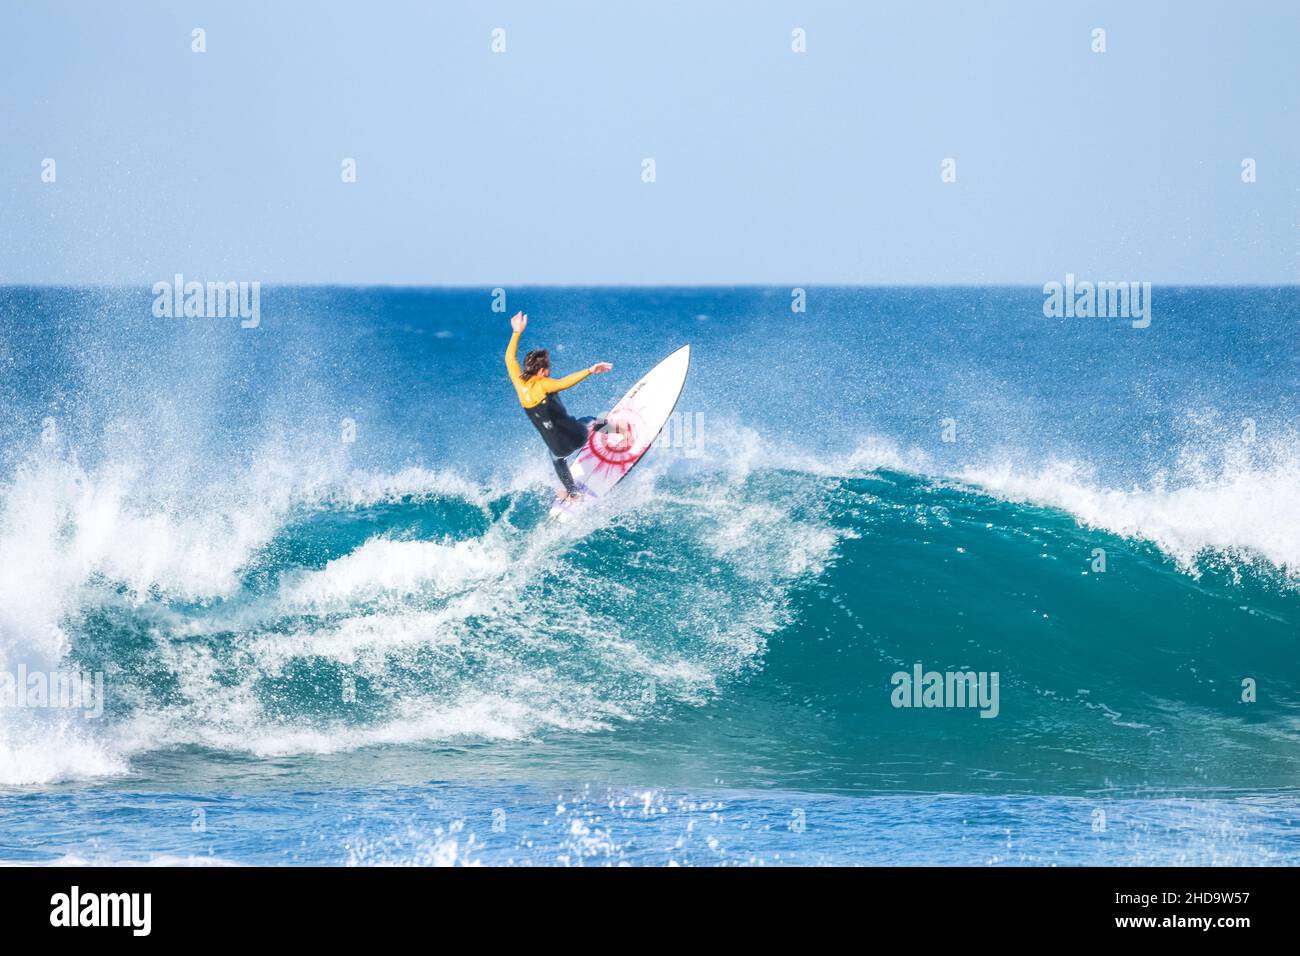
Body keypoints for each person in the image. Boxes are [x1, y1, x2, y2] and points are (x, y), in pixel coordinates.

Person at [505, 311, 613, 501]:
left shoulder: (520, 384)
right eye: (547, 368)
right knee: (589, 420)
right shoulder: (544, 384)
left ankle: (572, 492)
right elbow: (564, 382)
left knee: (556, 459)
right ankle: (623, 431)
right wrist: (589, 370)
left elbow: (509, 359)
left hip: (558, 448)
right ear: (541, 371)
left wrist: (516, 332)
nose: (549, 370)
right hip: (577, 437)